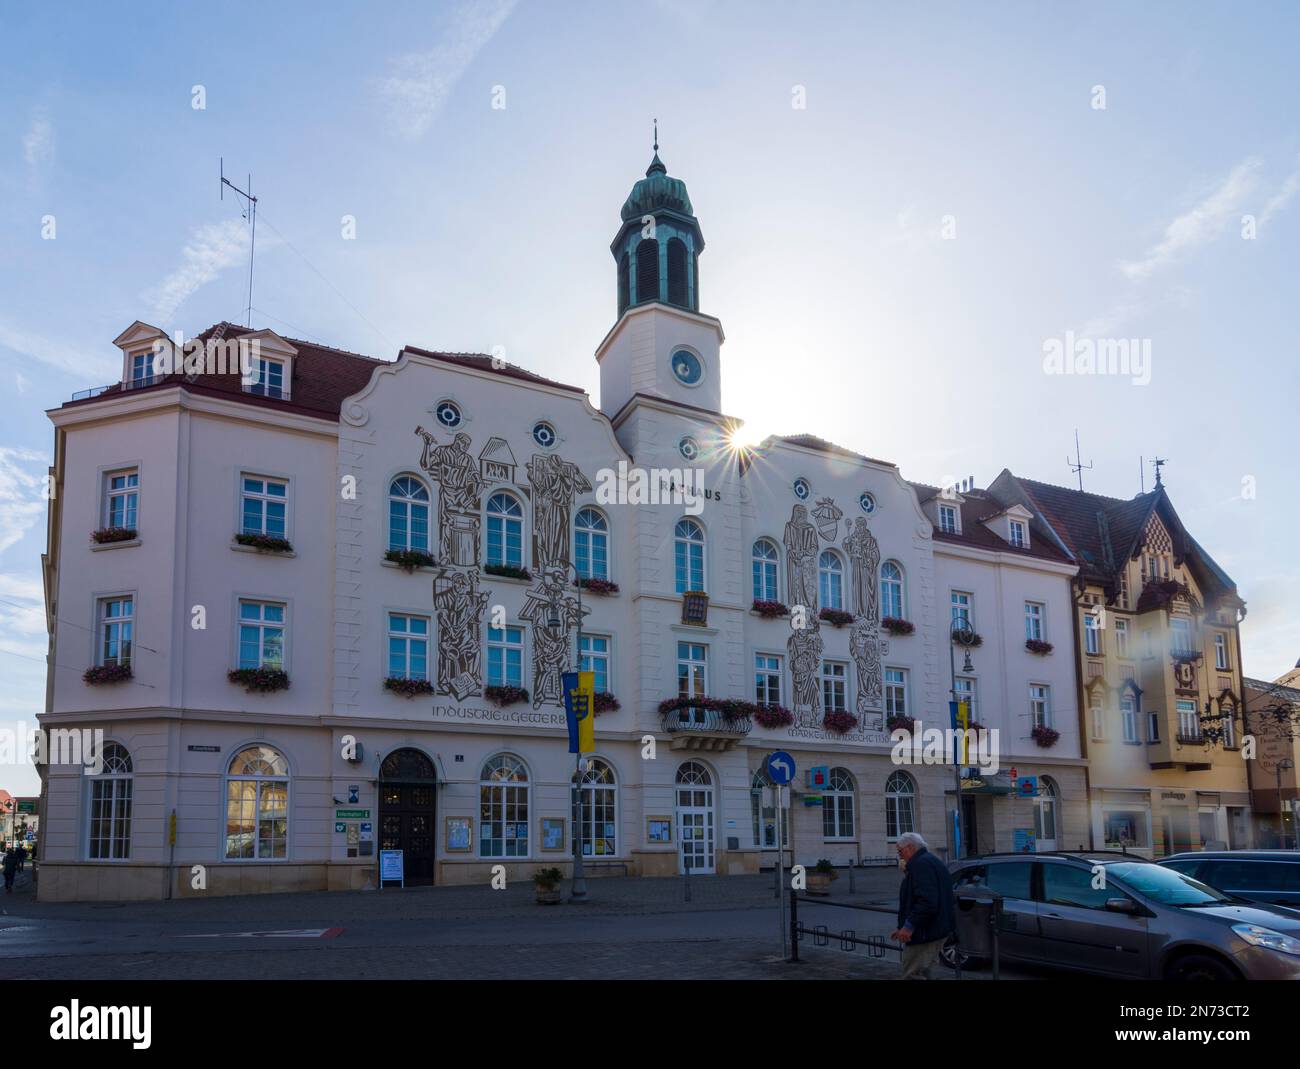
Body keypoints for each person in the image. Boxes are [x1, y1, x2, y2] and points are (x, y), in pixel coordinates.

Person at [890, 832, 955, 979]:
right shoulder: (931, 861)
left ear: (911, 848)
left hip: (925, 934)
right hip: (934, 931)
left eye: (900, 851)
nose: (899, 856)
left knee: (913, 974)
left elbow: (927, 902)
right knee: (923, 973)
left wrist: (909, 926)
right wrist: (902, 925)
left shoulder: (921, 865)